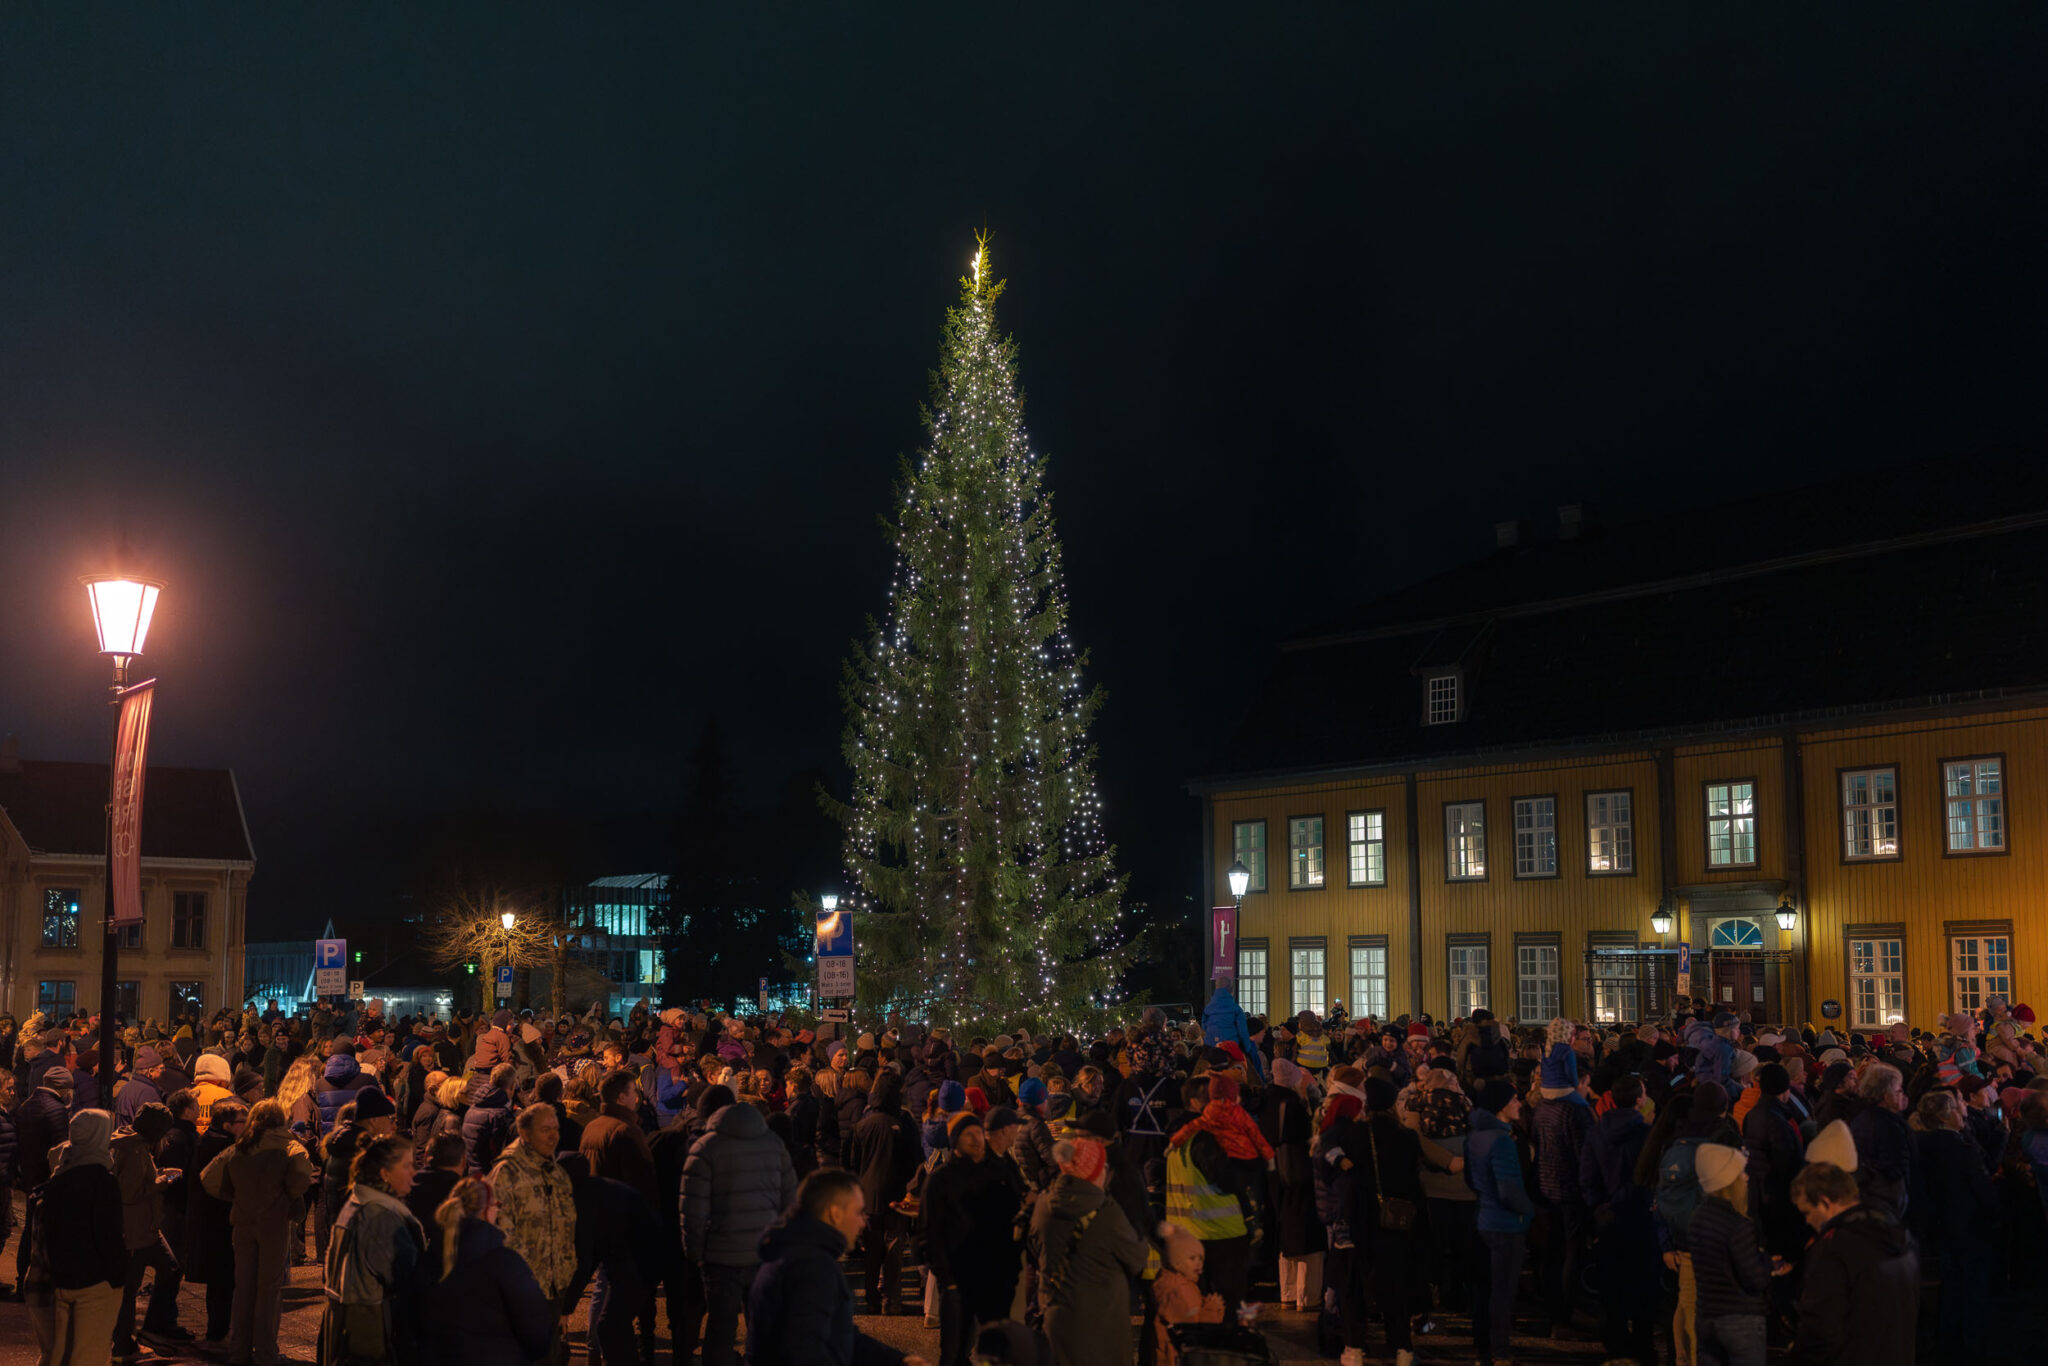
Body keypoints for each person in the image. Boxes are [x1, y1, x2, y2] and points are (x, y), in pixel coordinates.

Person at [747, 1166, 927, 1366]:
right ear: (835, 1213)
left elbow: (839, 1336)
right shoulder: (810, 1267)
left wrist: (898, 1361)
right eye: (859, 1212)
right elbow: (807, 1354)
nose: (863, 1222)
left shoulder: (798, 1253)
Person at [681, 1077, 799, 1366]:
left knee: (721, 1330)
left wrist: (695, 1253)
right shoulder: (773, 1144)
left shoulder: (705, 1148)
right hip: (764, 1253)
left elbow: (692, 1210)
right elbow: (790, 1201)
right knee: (763, 1327)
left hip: (720, 1257)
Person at [201, 1097, 315, 1366]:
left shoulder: (240, 1148)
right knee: (269, 1289)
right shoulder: (289, 1147)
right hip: (274, 1223)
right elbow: (302, 1178)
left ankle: (239, 1350)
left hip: (243, 1221)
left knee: (243, 1287)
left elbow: (209, 1177)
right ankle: (266, 1353)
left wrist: (236, 1196)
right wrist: (286, 1196)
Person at [1030, 1138, 1160, 1366]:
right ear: (1094, 1171)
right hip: (1100, 1319)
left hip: (1056, 1314)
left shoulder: (1044, 1205)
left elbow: (1034, 1247)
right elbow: (1137, 1258)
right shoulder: (1105, 1212)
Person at [920, 1113, 1026, 1366]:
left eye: (979, 1133)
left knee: (994, 1351)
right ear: (955, 1141)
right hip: (958, 1280)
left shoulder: (998, 1170)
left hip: (994, 1279)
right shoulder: (940, 1180)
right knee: (955, 1353)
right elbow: (929, 1232)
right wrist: (948, 1280)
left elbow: (1015, 1211)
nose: (977, 1140)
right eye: (969, 1134)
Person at [1789, 1160, 1917, 1365]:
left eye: (1807, 1212)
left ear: (1825, 1202)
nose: (1807, 1221)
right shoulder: (1897, 1235)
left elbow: (1820, 1327)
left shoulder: (1834, 1249)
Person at [418, 1176, 556, 1366]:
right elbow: (536, 1330)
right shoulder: (506, 1264)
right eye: (496, 1205)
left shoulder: (427, 1260)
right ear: (487, 1210)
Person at [27, 1110, 127, 1366]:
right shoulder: (102, 1180)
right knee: (89, 1355)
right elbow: (109, 1237)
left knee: (64, 1354)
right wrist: (117, 1277)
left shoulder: (59, 1178)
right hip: (95, 1282)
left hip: (63, 1282)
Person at [320, 1134, 425, 1366]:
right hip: (373, 1336)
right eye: (407, 1166)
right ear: (385, 1173)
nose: (414, 1173)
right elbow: (407, 1282)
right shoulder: (381, 1217)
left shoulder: (358, 1203)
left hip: (347, 1330)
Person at [1910, 1089, 1998, 1359]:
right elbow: (1982, 1186)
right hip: (1968, 1224)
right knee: (1971, 1288)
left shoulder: (1920, 1143)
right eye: (1958, 1109)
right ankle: (1970, 1345)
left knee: (1950, 1287)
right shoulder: (1960, 1148)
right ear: (1945, 1116)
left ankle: (1947, 1340)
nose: (1963, 1113)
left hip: (1941, 1224)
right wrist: (1996, 1215)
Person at [489, 1102, 579, 1337]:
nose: (553, 1136)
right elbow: (499, 1238)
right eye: (545, 1129)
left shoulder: (554, 1172)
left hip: (554, 1290)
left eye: (555, 1129)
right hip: (524, 1292)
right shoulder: (506, 1173)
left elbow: (565, 1230)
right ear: (525, 1134)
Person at [1686, 1143, 1779, 1366]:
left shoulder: (1697, 1218)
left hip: (1707, 1314)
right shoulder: (1738, 1225)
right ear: (1729, 1181)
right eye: (1741, 1173)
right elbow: (1754, 1278)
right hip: (1740, 1319)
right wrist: (1768, 1262)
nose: (1746, 1178)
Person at [110, 1101, 187, 1358]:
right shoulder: (133, 1151)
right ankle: (124, 1343)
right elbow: (129, 1192)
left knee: (170, 1269)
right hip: (135, 1229)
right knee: (130, 1290)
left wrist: (160, 1174)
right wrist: (162, 1181)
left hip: (147, 1227)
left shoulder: (137, 1145)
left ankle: (145, 1330)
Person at [1465, 1078, 1532, 1366]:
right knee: (1503, 1292)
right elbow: (1509, 1191)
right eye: (1515, 1099)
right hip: (1505, 1224)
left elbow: (1470, 1179)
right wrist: (1529, 1210)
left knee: (1485, 1289)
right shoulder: (1502, 1141)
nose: (1519, 1104)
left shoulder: (1474, 1136)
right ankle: (1500, 1351)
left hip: (1483, 1218)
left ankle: (1483, 1347)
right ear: (1502, 1106)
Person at [847, 1070, 922, 1316]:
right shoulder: (903, 1122)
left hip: (868, 1195)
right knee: (894, 1249)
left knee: (872, 1248)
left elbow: (853, 1163)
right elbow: (915, 1160)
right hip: (897, 1194)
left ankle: (870, 1297)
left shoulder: (862, 1124)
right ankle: (891, 1299)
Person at [183, 1097, 245, 1351]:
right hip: (219, 1224)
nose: (246, 1125)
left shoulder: (207, 1140)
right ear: (229, 1124)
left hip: (210, 1222)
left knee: (219, 1283)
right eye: (243, 1121)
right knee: (223, 1281)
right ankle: (219, 1335)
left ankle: (217, 1332)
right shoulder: (224, 1147)